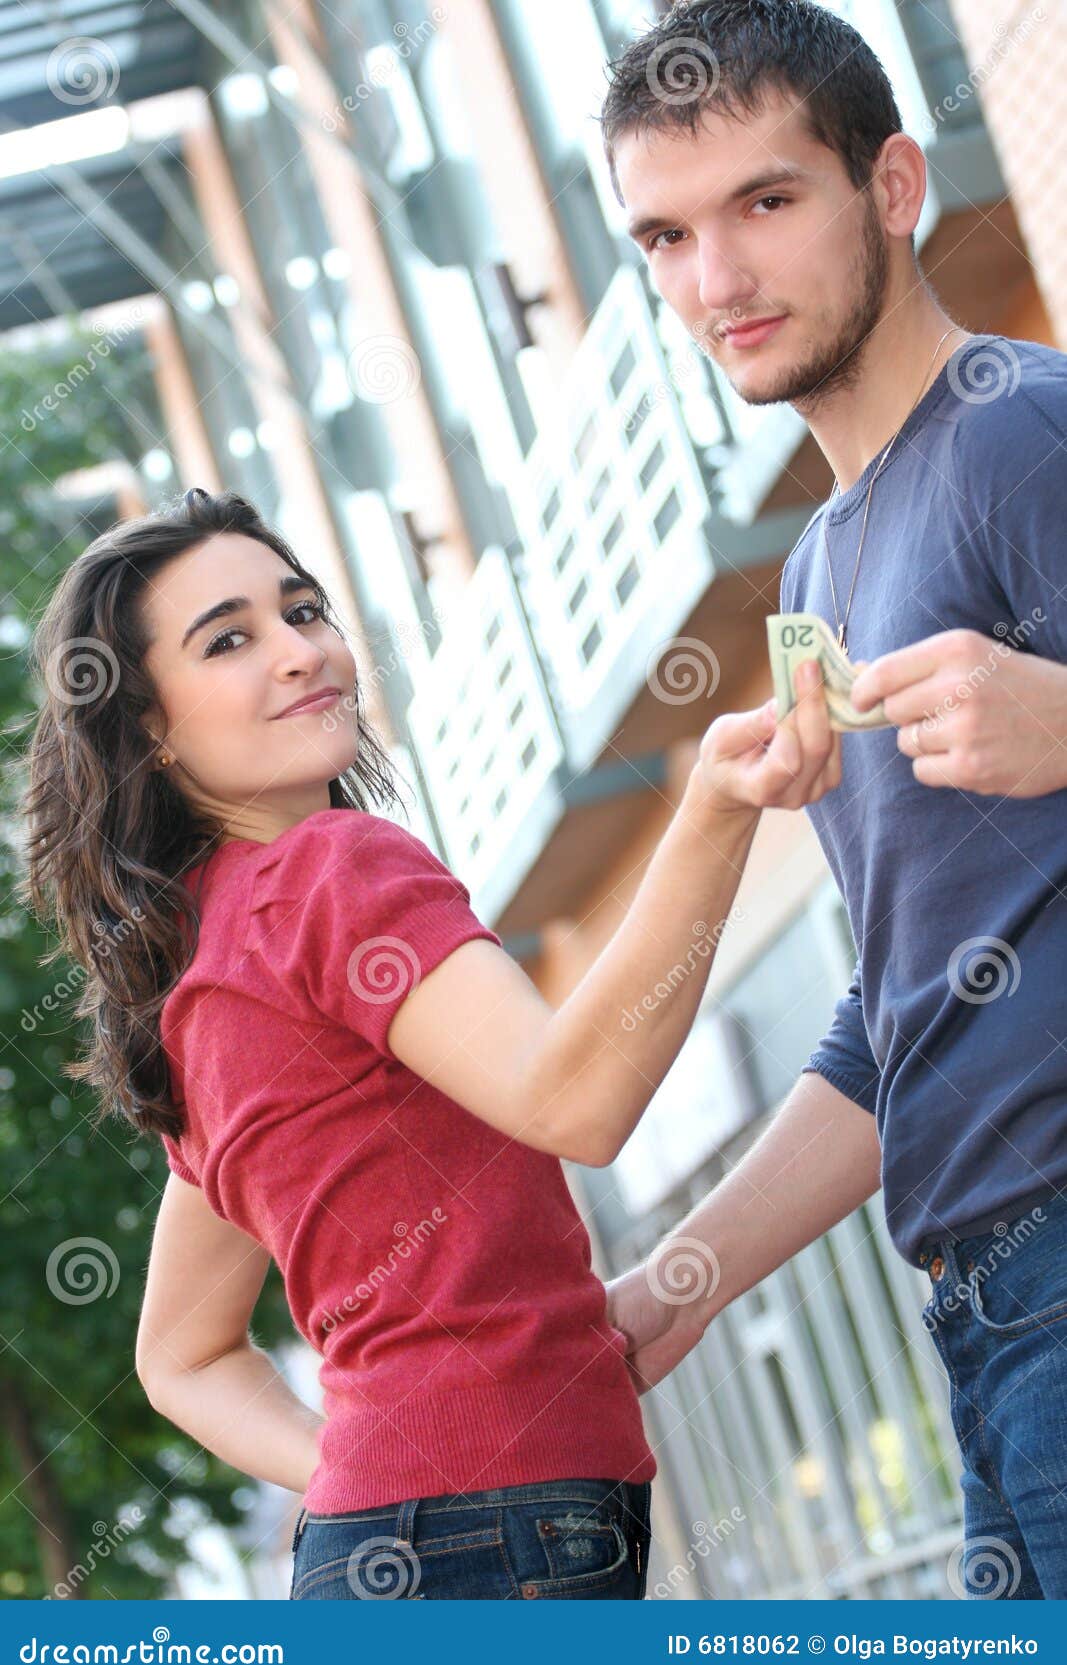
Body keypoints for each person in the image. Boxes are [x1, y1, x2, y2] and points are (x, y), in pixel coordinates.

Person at [17, 486, 837, 1600]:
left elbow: (181, 1356)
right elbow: (576, 1100)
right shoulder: (332, 869)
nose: (301, 653)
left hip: (393, 1550)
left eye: (303, 612)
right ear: (149, 730)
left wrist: (372, 1465)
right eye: (230, 640)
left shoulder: (205, 977)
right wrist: (713, 811)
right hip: (497, 1541)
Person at [599, 0, 1067, 1599]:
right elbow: (905, 1009)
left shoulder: (1020, 428)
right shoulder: (815, 567)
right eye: (664, 234)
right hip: (986, 1315)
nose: (712, 282)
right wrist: (681, 1275)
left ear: (889, 185)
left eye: (763, 202)